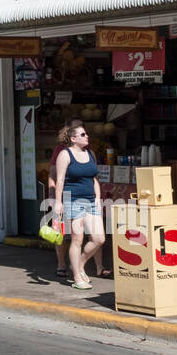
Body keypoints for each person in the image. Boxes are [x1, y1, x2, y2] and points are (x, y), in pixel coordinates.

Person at [45, 117, 106, 279]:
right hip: (73, 201)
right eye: (83, 134)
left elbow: (94, 179)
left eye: (86, 133)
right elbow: (59, 179)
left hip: (91, 201)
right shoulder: (63, 154)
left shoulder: (90, 153)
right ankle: (77, 277)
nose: (87, 136)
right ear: (73, 138)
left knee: (99, 238)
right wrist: (57, 202)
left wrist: (98, 199)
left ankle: (78, 264)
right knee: (76, 239)